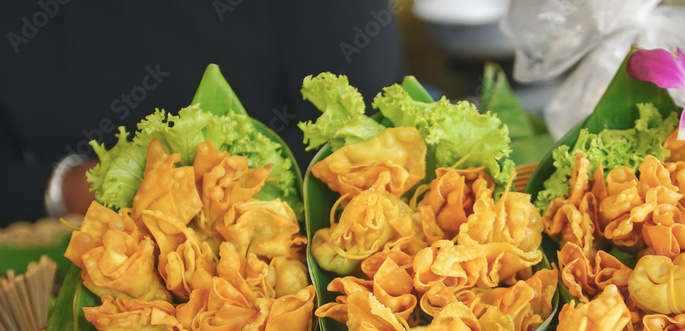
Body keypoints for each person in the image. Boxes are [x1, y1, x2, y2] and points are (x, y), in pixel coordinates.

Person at [0, 0, 404, 226]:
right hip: (62, 258)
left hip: (289, 259)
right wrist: (64, 188)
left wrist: (207, 189)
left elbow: (367, 138)